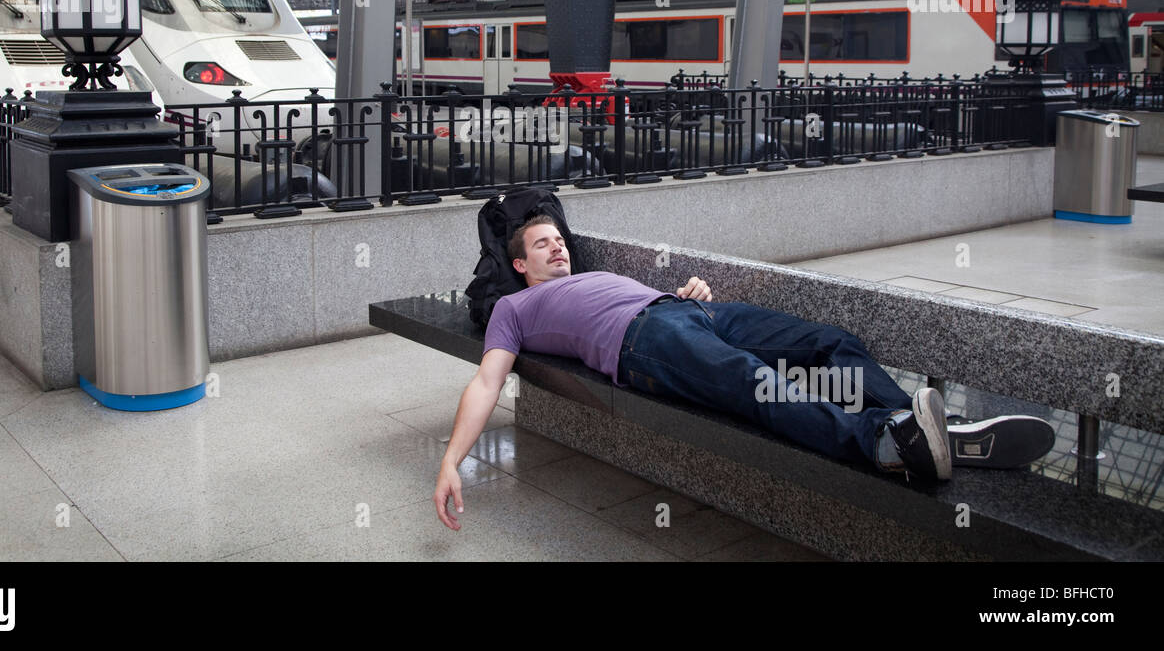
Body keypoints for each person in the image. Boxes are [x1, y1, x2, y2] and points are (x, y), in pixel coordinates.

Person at [433, 216, 1054, 530]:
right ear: (519, 264)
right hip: (644, 345)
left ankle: (908, 425)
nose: (559, 248)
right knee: (762, 385)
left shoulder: (592, 275)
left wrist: (683, 291)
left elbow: (643, 298)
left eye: (560, 240)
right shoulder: (512, 310)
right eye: (543, 245)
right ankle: (887, 442)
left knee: (827, 343)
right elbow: (488, 381)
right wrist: (452, 460)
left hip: (688, 312)